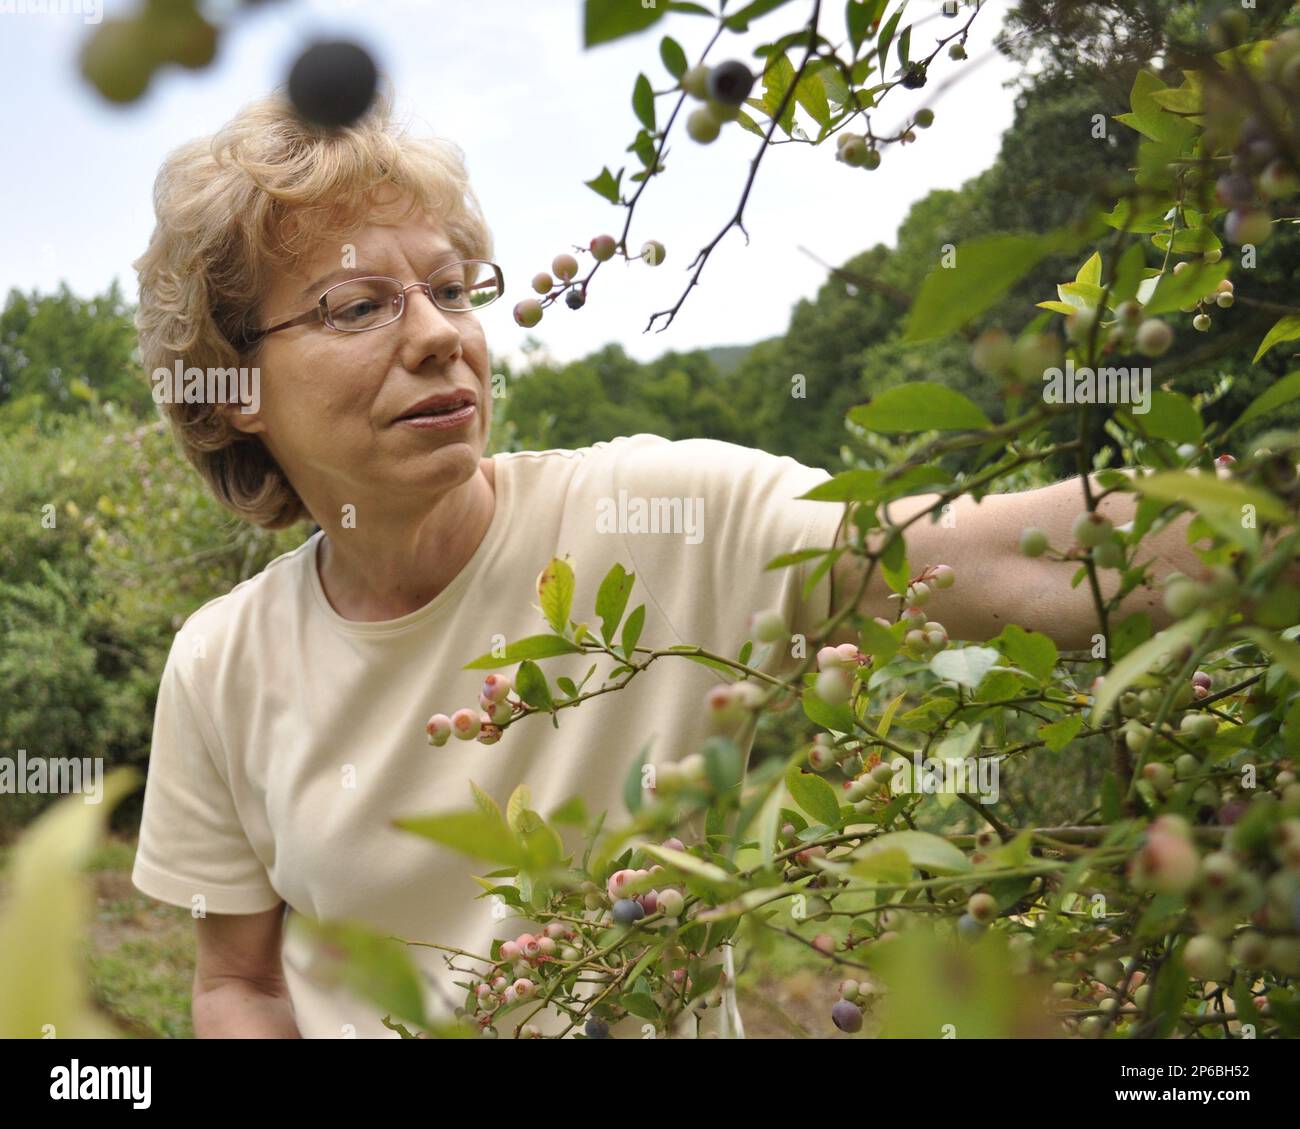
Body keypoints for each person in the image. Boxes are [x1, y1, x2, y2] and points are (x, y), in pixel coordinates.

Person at [128, 90, 1206, 1039]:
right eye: (357, 305)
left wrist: (1257, 530)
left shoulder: (663, 515)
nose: (437, 335)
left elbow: (1012, 553)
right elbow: (238, 982)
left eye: (453, 290)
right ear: (237, 388)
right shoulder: (223, 662)